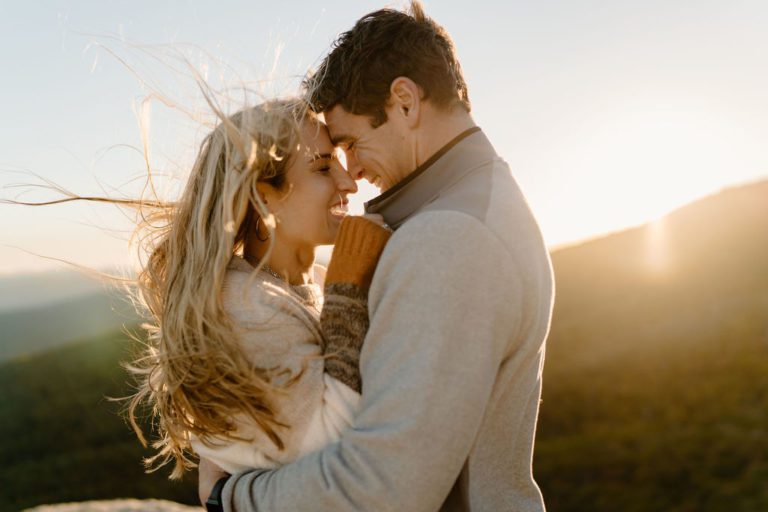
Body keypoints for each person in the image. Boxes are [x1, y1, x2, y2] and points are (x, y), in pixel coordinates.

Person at [199, 2, 555, 511]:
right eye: (331, 159)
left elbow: (383, 489)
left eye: (350, 142)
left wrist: (230, 497)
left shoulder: (447, 237)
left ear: (404, 102)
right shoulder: (483, 201)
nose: (354, 173)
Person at [119, 98, 392, 482]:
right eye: (323, 167)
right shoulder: (247, 306)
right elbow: (329, 443)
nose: (349, 183)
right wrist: (351, 290)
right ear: (263, 196)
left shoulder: (307, 280)